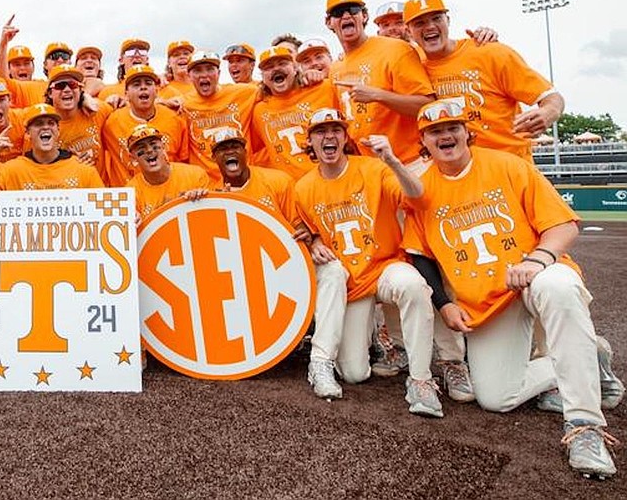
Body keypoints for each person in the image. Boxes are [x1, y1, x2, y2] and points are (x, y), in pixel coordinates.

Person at [404, 100, 622, 478]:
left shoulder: (508, 165)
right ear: (423, 139)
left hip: (534, 276)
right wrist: (443, 304)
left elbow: (564, 225)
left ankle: (585, 426)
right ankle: (589, 356)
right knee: (497, 397)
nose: (446, 136)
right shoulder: (422, 191)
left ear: (467, 131)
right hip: (488, 302)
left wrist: (536, 260)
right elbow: (419, 255)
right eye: (435, 131)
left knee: (558, 287)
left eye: (452, 127)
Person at [292, 108, 443, 417]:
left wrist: (392, 160)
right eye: (321, 131)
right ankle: (375, 338)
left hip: (386, 265)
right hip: (352, 281)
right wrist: (315, 240)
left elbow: (417, 196)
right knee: (354, 373)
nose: (329, 136)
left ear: (346, 137)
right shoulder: (304, 187)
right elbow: (303, 229)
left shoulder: (374, 169)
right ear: (310, 142)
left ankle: (421, 380)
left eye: (335, 130)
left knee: (413, 284)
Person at [404, 0, 563, 161]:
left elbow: (551, 96)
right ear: (408, 31)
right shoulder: (411, 65)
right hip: (454, 172)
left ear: (447, 20)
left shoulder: (489, 51)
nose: (430, 27)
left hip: (509, 165)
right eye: (419, 23)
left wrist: (548, 112)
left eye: (436, 18)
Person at [324, 0, 435, 167]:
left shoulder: (396, 49)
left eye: (353, 10)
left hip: (411, 161)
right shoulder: (335, 67)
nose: (346, 16)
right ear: (329, 23)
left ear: (365, 16)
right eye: (338, 13)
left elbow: (427, 106)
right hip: (371, 167)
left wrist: (378, 95)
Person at [249, 47, 339, 179]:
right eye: (268, 67)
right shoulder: (259, 111)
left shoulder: (324, 88)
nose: (276, 69)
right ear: (262, 77)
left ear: (296, 68)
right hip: (291, 190)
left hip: (329, 180)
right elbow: (256, 152)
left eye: (282, 63)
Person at [0, 104, 105, 191]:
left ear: (58, 130)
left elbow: (101, 211)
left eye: (51, 123)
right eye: (38, 124)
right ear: (27, 133)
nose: (45, 127)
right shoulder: (12, 170)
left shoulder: (82, 168)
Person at [102, 65, 189, 186]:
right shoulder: (111, 123)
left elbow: (184, 161)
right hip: (129, 197)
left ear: (157, 91)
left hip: (168, 196)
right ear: (126, 94)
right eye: (136, 84)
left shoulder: (175, 119)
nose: (143, 87)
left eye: (148, 83)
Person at [179, 49, 257, 184]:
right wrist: (162, 100)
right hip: (205, 186)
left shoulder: (243, 93)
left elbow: (273, 89)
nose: (204, 75)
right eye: (198, 70)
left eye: (209, 69)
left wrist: (303, 76)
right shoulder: (183, 104)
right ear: (189, 76)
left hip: (243, 182)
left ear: (219, 73)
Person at [124, 124, 210, 221]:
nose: (149, 150)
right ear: (132, 158)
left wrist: (199, 201)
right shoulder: (130, 193)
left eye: (154, 145)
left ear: (164, 147)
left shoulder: (195, 175)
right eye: (141, 149)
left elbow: (211, 216)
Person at [47, 64, 110, 178]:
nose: (67, 90)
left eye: (73, 85)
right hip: (67, 192)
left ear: (81, 90)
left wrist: (118, 100)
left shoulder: (95, 110)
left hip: (99, 190)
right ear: (50, 93)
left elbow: (97, 82)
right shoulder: (45, 126)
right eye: (60, 86)